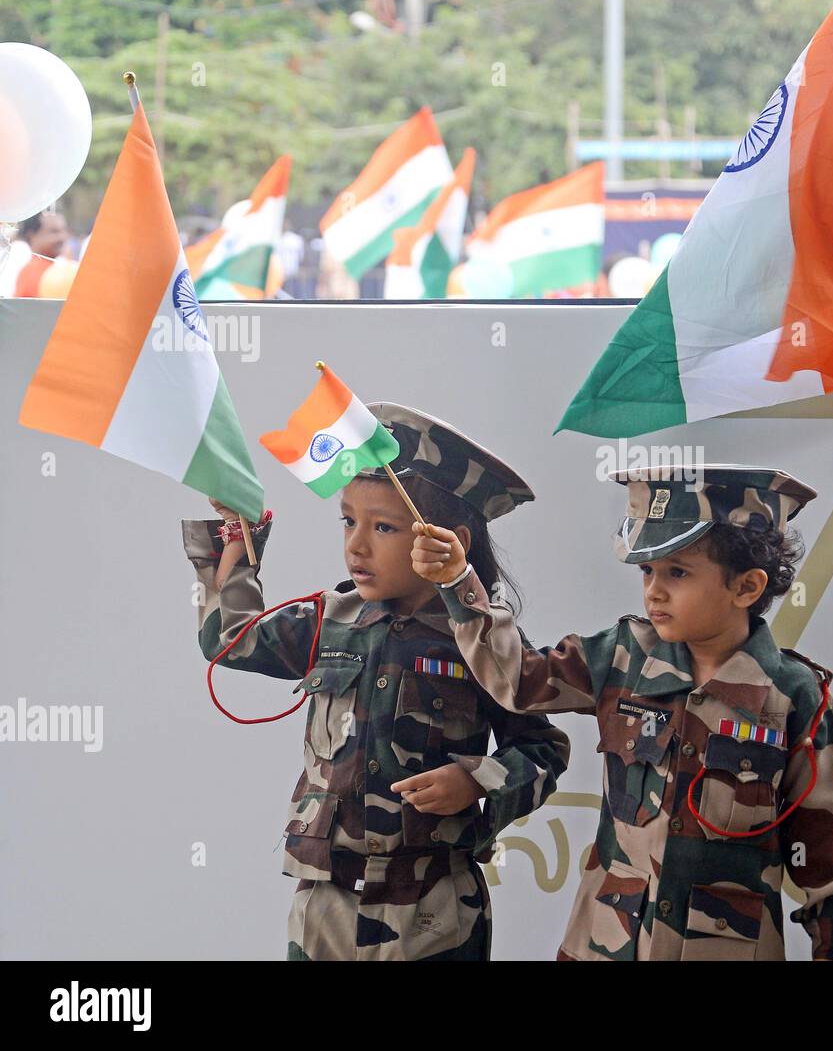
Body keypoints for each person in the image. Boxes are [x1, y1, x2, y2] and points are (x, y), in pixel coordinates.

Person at [411, 464, 833, 960]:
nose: (654, 590)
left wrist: (828, 948)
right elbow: (517, 681)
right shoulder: (622, 656)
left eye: (678, 572)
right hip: (606, 941)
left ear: (747, 588)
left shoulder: (794, 695)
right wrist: (459, 583)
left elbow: (818, 849)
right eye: (648, 570)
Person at [182, 403, 570, 960]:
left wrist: (476, 780)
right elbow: (228, 640)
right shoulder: (329, 619)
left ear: (446, 540)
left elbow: (544, 749)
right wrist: (239, 543)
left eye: (383, 527)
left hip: (434, 909)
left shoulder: (482, 641)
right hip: (326, 903)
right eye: (348, 521)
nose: (356, 545)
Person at [12, 210, 70, 297]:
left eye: (64, 230)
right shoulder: (31, 273)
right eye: (54, 232)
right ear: (31, 236)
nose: (62, 237)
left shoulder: (60, 268)